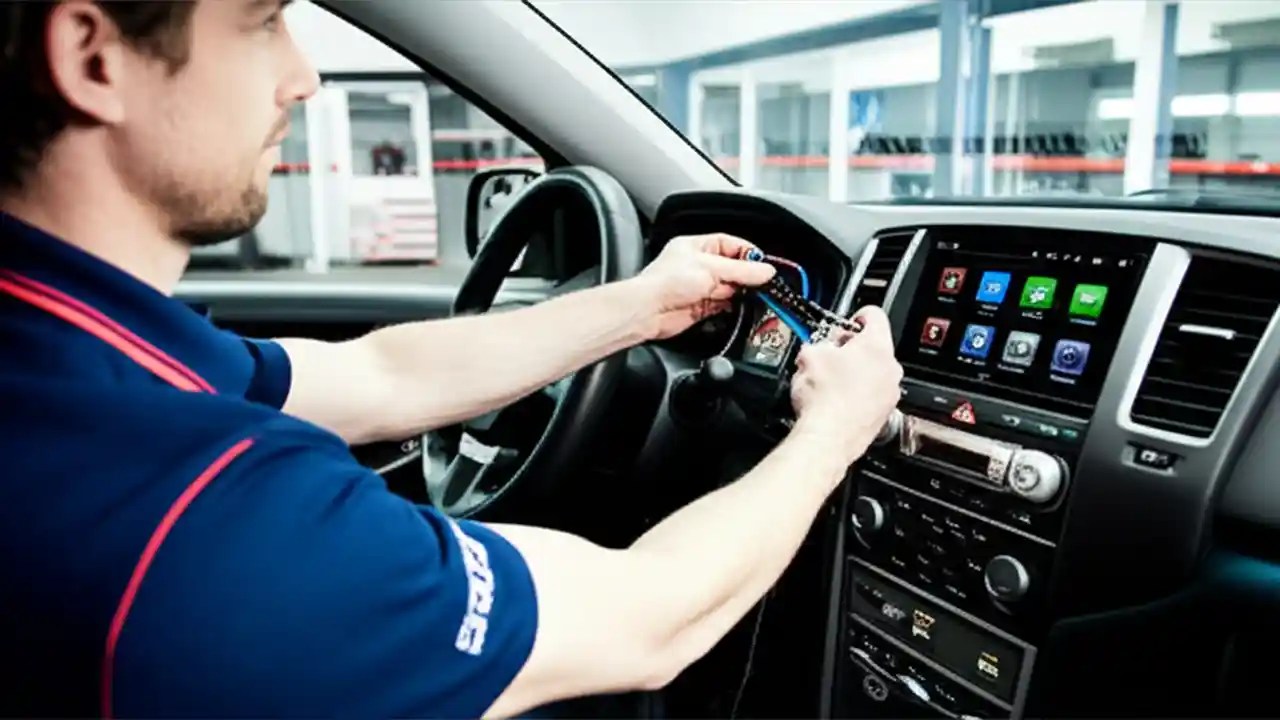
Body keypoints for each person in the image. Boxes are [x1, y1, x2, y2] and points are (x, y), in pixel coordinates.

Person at [0, 1, 903, 718]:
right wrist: (834, 428)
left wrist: (639, 306)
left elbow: (380, 377)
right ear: (93, 57)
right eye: (264, 22)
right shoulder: (193, 521)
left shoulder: (77, 344)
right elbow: (644, 621)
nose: (303, 76)